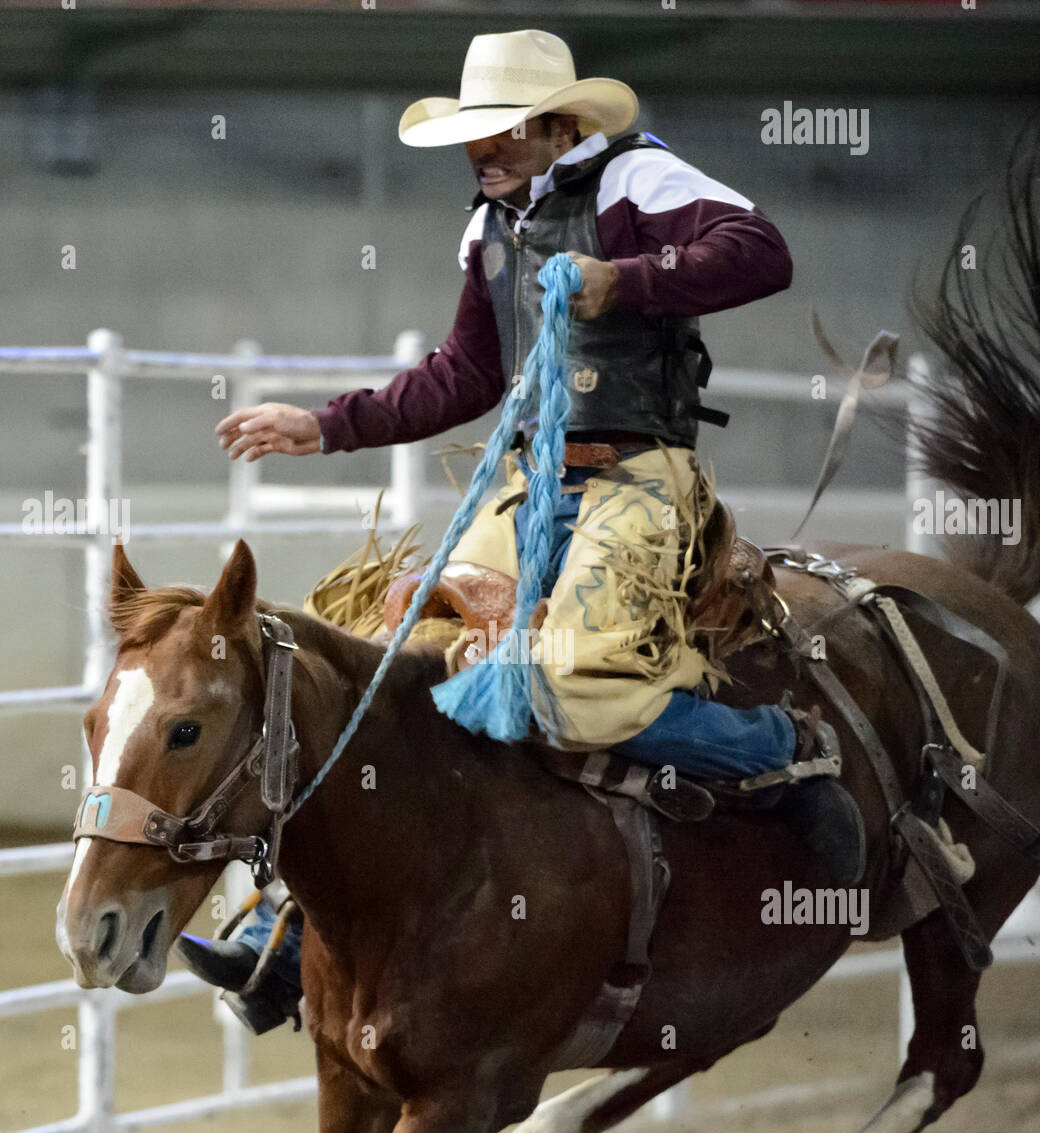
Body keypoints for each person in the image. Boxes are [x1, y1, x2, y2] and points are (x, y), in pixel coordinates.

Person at [179, 29, 863, 1032]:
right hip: (526, 484)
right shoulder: (490, 228)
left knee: (579, 684)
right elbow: (463, 374)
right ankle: (281, 934)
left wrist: (624, 280)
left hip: (639, 479)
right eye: (473, 137)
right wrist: (324, 425)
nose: (480, 153)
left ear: (554, 126)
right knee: (396, 671)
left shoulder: (639, 178)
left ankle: (779, 744)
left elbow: (757, 251)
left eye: (498, 134)